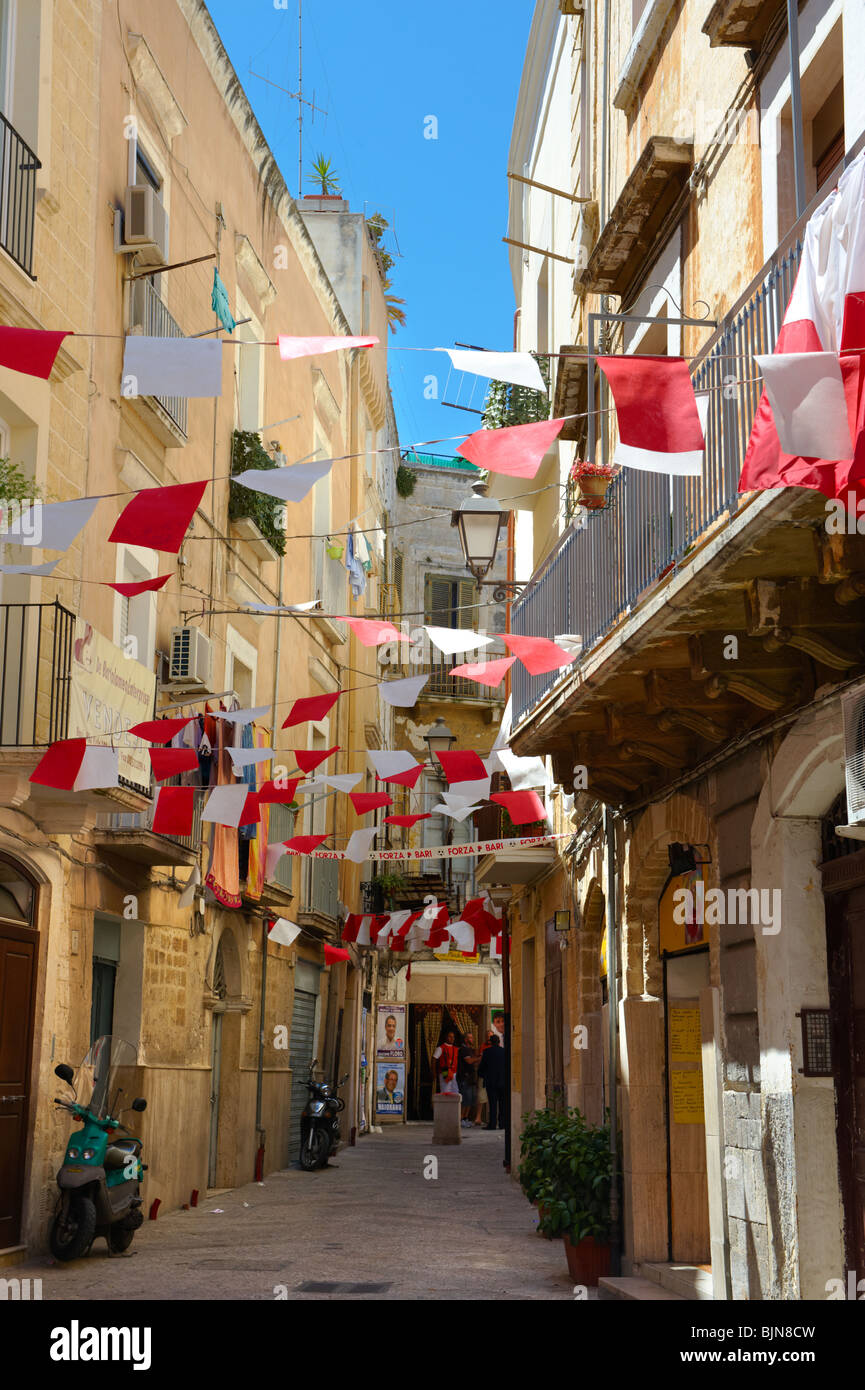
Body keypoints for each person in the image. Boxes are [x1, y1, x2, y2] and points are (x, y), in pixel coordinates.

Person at [478, 1034, 506, 1130]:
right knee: (502, 1104)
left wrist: (482, 1075)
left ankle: (492, 1124)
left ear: (490, 1042)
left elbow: (482, 1067)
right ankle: (502, 1124)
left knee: (492, 1104)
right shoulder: (504, 1051)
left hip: (491, 1082)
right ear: (498, 1042)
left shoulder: (486, 1052)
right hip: (503, 1082)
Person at [458, 1032, 482, 1128]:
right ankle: (460, 1119)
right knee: (464, 1100)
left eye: (472, 1037)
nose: (472, 1039)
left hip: (471, 1078)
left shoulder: (470, 1050)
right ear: (466, 1039)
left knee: (470, 1100)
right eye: (470, 1038)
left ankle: (465, 1118)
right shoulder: (463, 1050)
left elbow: (473, 1063)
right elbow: (469, 1061)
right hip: (464, 1078)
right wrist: (479, 1057)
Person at [432, 1029, 461, 1095]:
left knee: (455, 1092)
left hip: (454, 1072)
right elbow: (434, 1059)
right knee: (446, 1092)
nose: (452, 1038)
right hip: (444, 1072)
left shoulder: (456, 1049)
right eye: (450, 1036)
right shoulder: (440, 1048)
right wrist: (433, 1072)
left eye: (453, 1037)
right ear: (446, 1037)